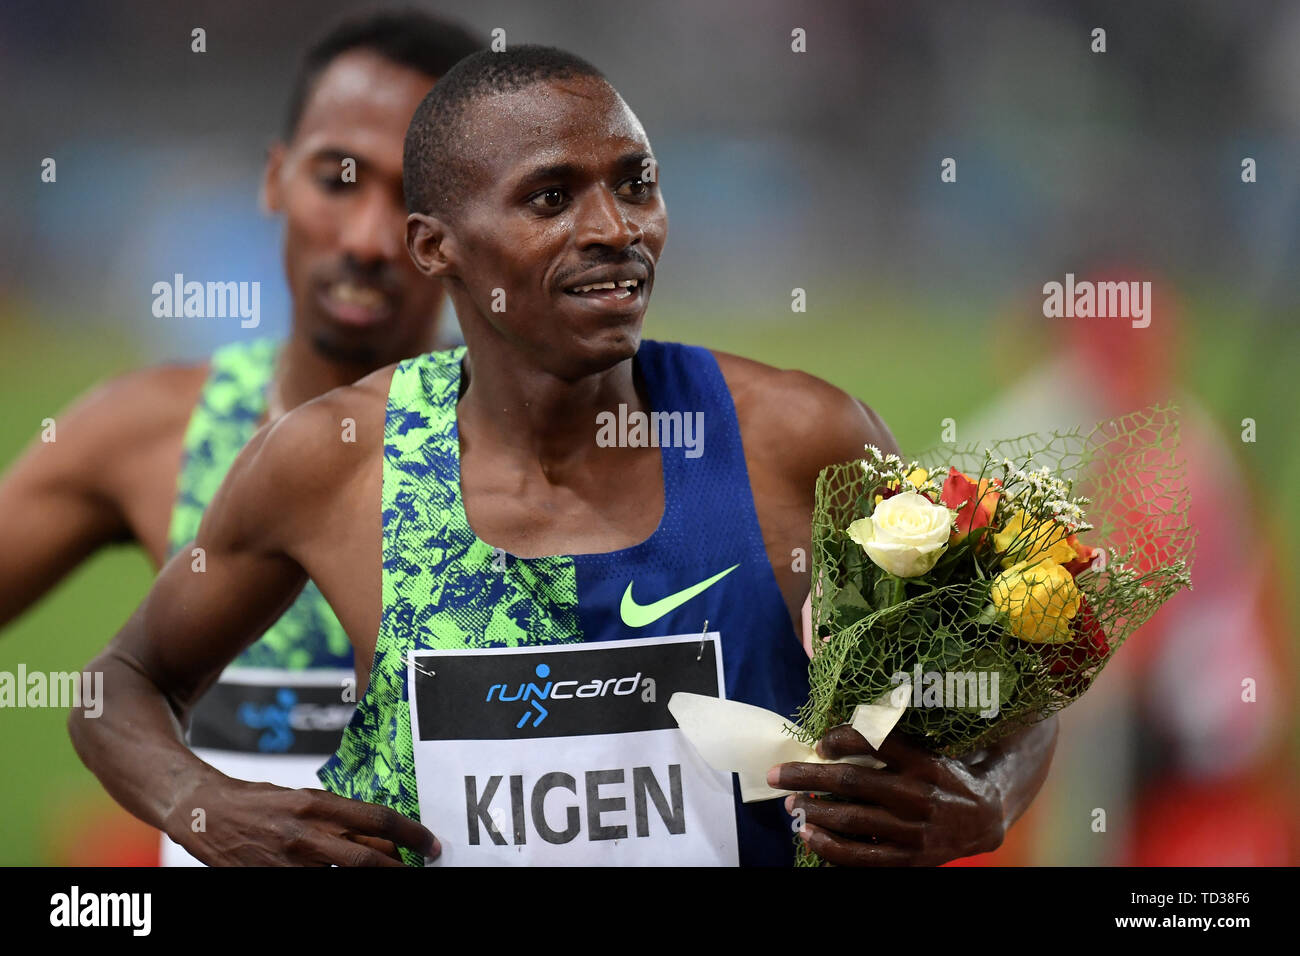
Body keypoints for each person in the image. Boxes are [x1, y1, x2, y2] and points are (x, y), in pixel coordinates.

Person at [70, 45, 1057, 867]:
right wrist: (211, 807)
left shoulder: (798, 440)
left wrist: (985, 796)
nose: (613, 229)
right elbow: (119, 682)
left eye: (635, 183)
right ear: (434, 246)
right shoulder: (333, 463)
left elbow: (1010, 675)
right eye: (550, 197)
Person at [0, 9, 482, 865]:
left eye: (413, 196)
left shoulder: (538, 446)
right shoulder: (149, 432)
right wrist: (194, 805)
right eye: (338, 181)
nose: (369, 240)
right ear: (273, 179)